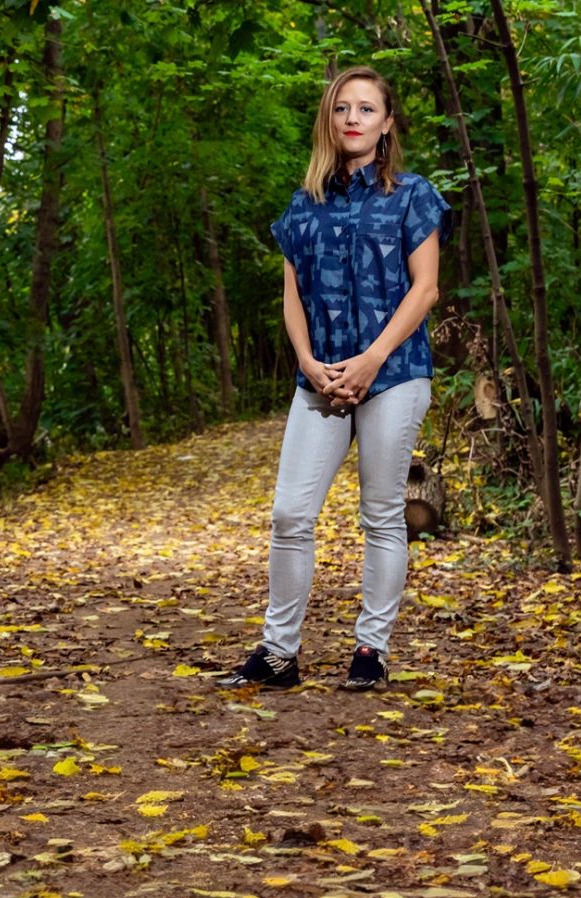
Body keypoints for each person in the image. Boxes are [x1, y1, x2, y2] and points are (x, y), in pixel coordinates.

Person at [217, 65, 452, 693]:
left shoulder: (414, 195)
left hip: (393, 373)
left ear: (387, 122)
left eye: (367, 109)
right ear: (329, 119)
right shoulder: (304, 205)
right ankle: (279, 654)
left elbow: (425, 289)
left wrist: (371, 359)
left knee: (381, 514)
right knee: (290, 514)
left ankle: (371, 650)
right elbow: (292, 296)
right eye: (342, 108)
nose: (353, 118)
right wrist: (307, 361)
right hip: (318, 379)